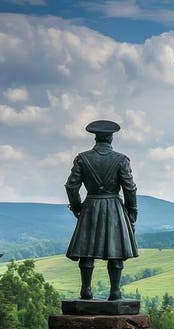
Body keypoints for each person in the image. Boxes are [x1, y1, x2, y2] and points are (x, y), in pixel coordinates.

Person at [65, 119, 138, 300]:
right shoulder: (121, 160)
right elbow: (130, 188)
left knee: (86, 250)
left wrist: (77, 208)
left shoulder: (82, 158)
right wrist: (132, 213)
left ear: (96, 138)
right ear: (111, 138)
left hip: (90, 207)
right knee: (116, 252)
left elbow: (71, 187)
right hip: (114, 207)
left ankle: (86, 290)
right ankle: (115, 292)